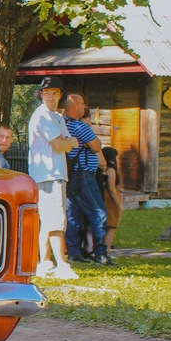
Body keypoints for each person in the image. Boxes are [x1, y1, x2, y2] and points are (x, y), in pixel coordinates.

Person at [27, 76, 80, 280]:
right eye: (46, 93)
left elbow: (66, 141)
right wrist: (69, 142)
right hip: (47, 174)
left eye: (54, 93)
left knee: (49, 220)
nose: (50, 96)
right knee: (56, 220)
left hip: (56, 173)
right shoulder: (42, 116)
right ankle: (62, 264)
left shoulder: (55, 116)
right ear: (41, 95)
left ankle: (45, 262)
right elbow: (61, 144)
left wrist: (67, 141)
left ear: (60, 95)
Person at [63, 93, 110, 265]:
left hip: (71, 175)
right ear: (74, 107)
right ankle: (100, 253)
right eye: (82, 104)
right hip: (84, 174)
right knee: (99, 213)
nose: (85, 107)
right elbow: (97, 146)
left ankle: (74, 252)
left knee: (73, 215)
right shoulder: (78, 126)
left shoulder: (64, 125)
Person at [100, 146, 122, 252]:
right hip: (110, 200)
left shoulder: (102, 169)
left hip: (104, 198)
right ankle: (106, 250)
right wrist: (117, 202)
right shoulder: (111, 170)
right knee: (112, 225)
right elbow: (111, 188)